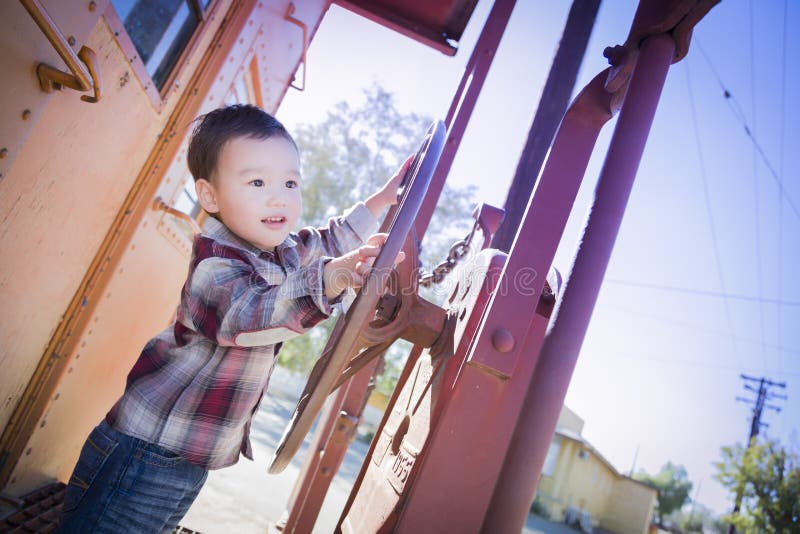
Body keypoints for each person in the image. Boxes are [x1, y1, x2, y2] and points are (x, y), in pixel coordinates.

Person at [58, 104, 409, 533]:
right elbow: (249, 316)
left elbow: (326, 241)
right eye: (257, 182)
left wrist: (383, 198)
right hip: (146, 452)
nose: (279, 196)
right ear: (210, 196)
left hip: (185, 457)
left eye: (291, 182)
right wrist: (336, 274)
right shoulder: (216, 264)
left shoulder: (277, 252)